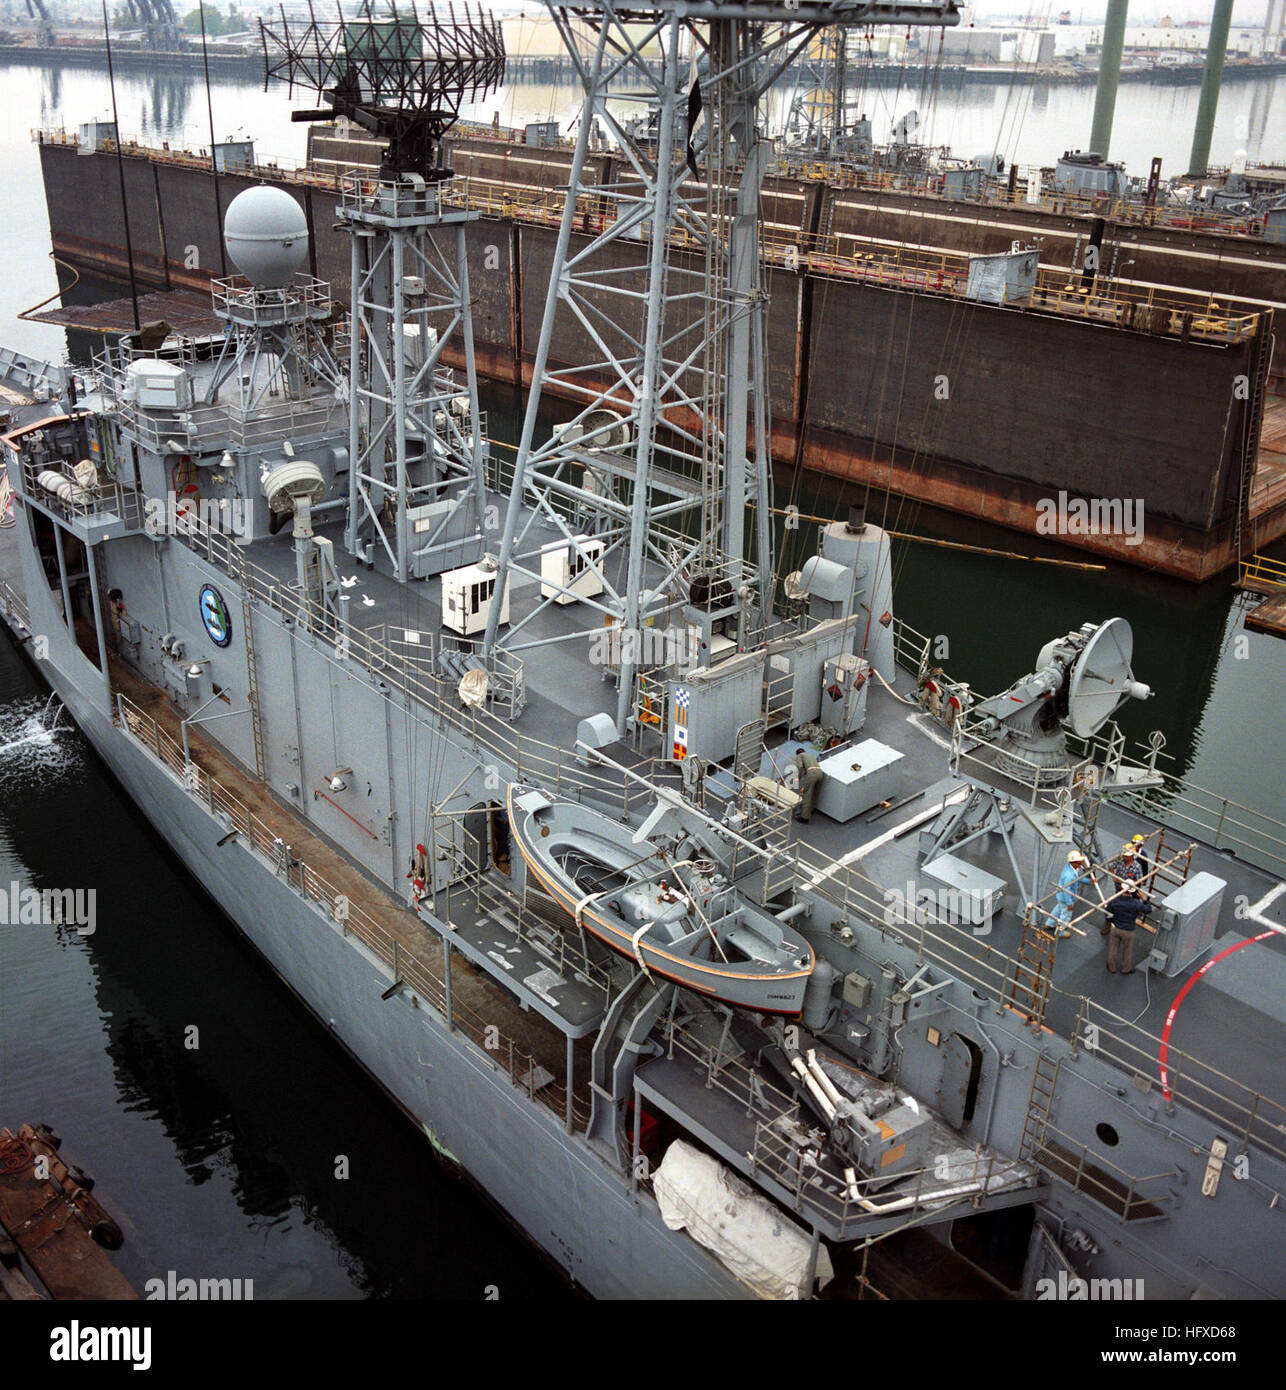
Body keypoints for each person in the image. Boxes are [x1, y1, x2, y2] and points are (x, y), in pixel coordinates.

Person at [1101, 842, 1147, 935]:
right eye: (1124, 855)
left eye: (1127, 856)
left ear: (1132, 856)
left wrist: (1131, 888)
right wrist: (1113, 876)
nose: (1124, 858)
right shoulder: (1120, 861)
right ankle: (1107, 925)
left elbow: (1139, 881)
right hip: (1119, 889)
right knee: (1110, 909)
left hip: (1130, 893)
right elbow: (1111, 866)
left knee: (1127, 910)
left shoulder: (1136, 867)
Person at [1105, 886, 1152, 975]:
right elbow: (1148, 910)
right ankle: (1126, 969)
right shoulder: (1136, 903)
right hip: (1129, 930)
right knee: (1127, 950)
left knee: (1113, 949)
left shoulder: (1115, 901)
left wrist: (1111, 921)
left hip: (1116, 928)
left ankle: (1112, 967)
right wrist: (1145, 900)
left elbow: (1107, 913)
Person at [1045, 849, 1089, 938]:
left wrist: (1088, 881)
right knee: (1066, 915)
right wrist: (1070, 904)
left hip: (1061, 897)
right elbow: (1067, 891)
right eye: (1079, 862)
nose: (1081, 864)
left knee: (1058, 909)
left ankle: (1050, 923)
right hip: (1066, 898)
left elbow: (1076, 878)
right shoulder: (1068, 876)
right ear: (1074, 862)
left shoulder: (1070, 867)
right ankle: (1060, 931)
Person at [794, 746, 823, 823]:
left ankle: (805, 817)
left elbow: (800, 767)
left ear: (797, 754)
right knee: (815, 793)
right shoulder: (810, 756)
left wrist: (799, 777)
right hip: (820, 773)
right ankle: (811, 809)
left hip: (811, 773)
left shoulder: (800, 756)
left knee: (807, 794)